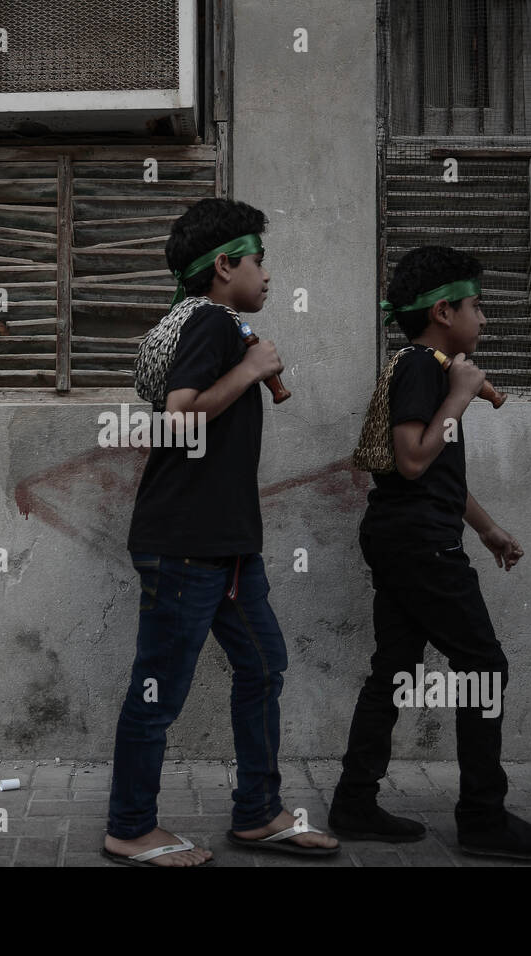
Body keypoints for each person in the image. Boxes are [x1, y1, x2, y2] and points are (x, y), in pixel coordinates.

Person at [102, 198, 339, 866]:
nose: (266, 273)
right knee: (159, 689)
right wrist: (252, 369)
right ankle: (130, 826)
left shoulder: (221, 326)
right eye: (258, 259)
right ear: (223, 264)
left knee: (264, 667)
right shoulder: (209, 323)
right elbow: (179, 417)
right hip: (184, 545)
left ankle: (259, 813)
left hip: (228, 545)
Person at [330, 245, 531, 859]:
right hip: (417, 543)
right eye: (476, 307)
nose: (484, 320)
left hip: (409, 534)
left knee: (395, 669)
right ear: (443, 311)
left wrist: (485, 529)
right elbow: (410, 459)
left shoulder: (428, 365)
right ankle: (483, 821)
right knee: (485, 666)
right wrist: (460, 391)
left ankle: (353, 804)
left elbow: (437, 472)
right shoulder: (421, 368)